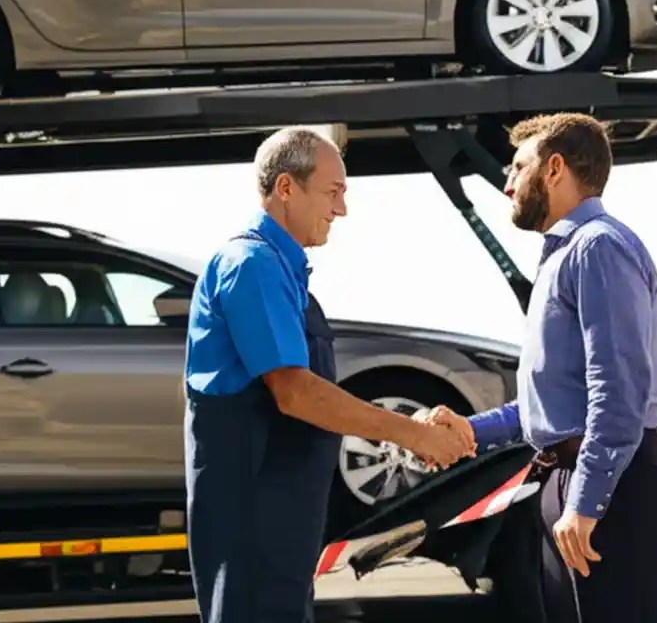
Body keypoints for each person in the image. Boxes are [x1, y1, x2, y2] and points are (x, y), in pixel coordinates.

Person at [182, 127, 475, 623]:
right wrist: (413, 436)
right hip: (254, 514)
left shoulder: (280, 267)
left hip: (280, 516)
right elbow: (297, 394)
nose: (341, 210)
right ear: (286, 188)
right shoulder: (251, 264)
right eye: (333, 192)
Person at [427, 112, 657, 623]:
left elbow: (618, 390)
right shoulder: (566, 253)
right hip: (579, 480)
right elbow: (557, 401)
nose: (507, 184)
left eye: (518, 168)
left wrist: (586, 501)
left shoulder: (597, 248)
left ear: (554, 168)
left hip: (613, 488)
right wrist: (469, 431)